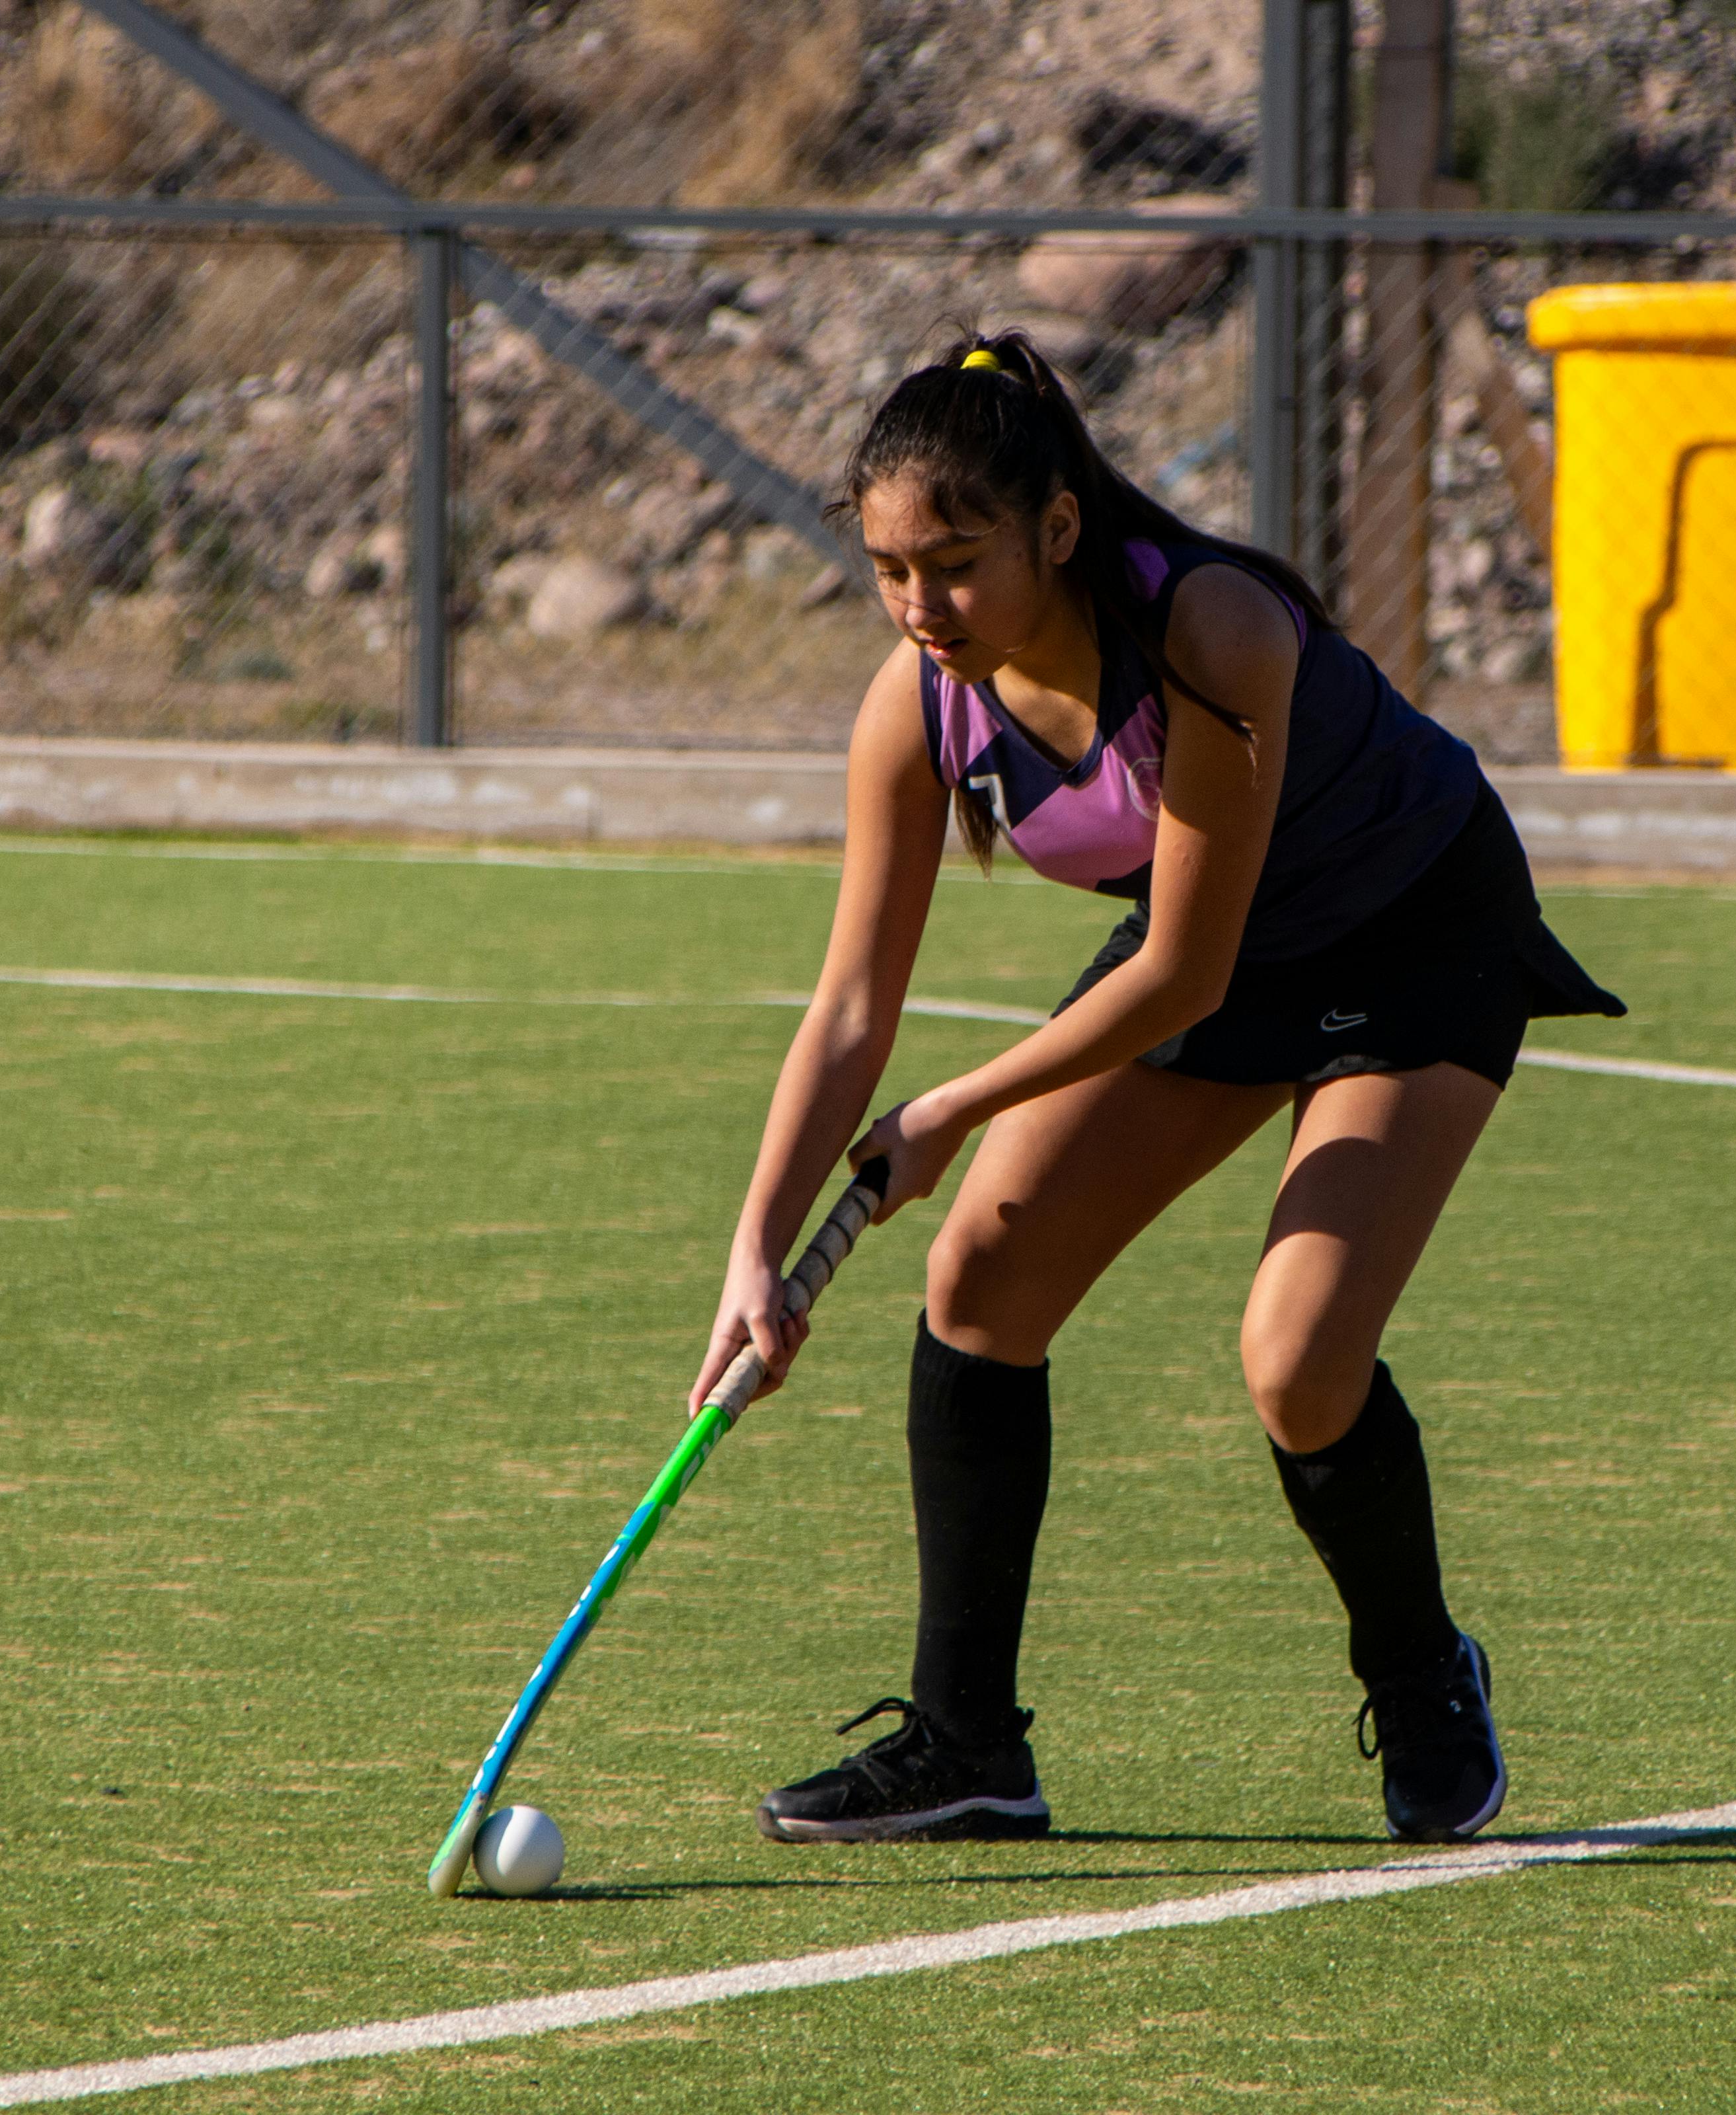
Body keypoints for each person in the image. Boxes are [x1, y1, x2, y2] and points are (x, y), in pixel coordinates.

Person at [694, 330, 1623, 1847]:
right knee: (982, 1266)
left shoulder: (1215, 629)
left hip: (1412, 929)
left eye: (957, 562)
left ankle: (1422, 1671)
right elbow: (855, 1001)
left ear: (1058, 527)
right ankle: (967, 1747)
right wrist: (754, 1251)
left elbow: (1180, 975)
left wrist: (951, 1109)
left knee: (1297, 1357)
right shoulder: (920, 703)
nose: (924, 607)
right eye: (887, 569)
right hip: (1230, 949)